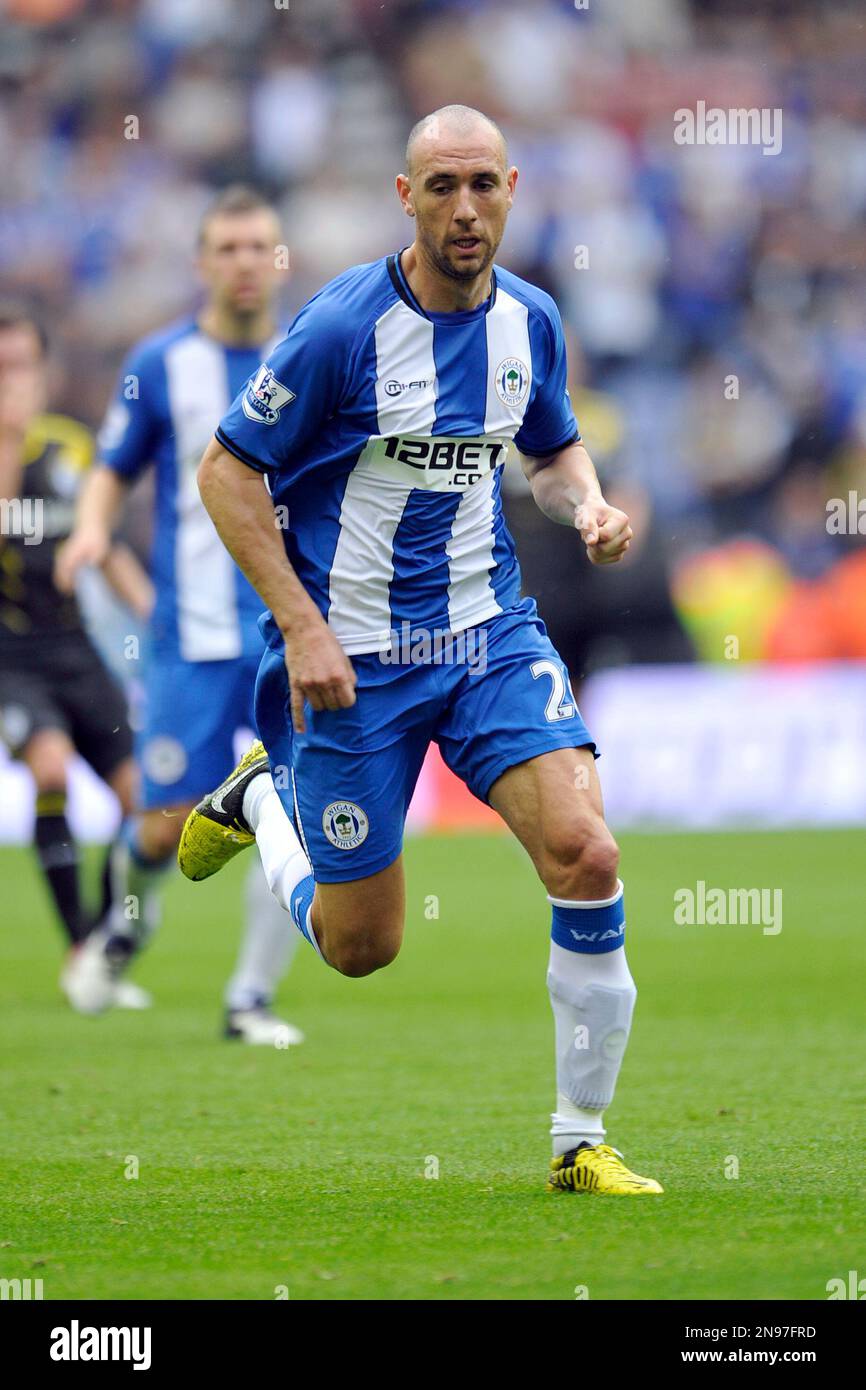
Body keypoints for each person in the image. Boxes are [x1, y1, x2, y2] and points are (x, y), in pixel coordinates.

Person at [179, 108, 662, 1192]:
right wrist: (301, 625)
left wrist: (583, 504)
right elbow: (225, 472)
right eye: (440, 187)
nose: (464, 209)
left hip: (488, 634)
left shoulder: (529, 321)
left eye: (482, 185)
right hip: (351, 654)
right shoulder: (341, 327)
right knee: (361, 947)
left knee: (585, 851)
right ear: (405, 197)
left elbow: (549, 449)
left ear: (512, 188)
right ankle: (264, 800)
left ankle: (577, 1139)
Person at [55, 188, 303, 1045]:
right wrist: (91, 528)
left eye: (258, 246)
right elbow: (112, 465)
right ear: (201, 262)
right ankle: (128, 924)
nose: (243, 262)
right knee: (165, 825)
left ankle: (250, 999)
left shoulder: (315, 357)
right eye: (227, 247)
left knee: (297, 807)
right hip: (187, 642)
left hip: (290, 631)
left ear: (280, 260)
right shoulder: (161, 364)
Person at [0, 303, 150, 1010]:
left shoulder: (73, 450)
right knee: (51, 768)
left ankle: (105, 946)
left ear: (44, 370)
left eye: (22, 366)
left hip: (78, 650)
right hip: (9, 658)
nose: (12, 381)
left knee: (140, 799)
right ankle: (77, 943)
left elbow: (108, 545)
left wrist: (157, 621)